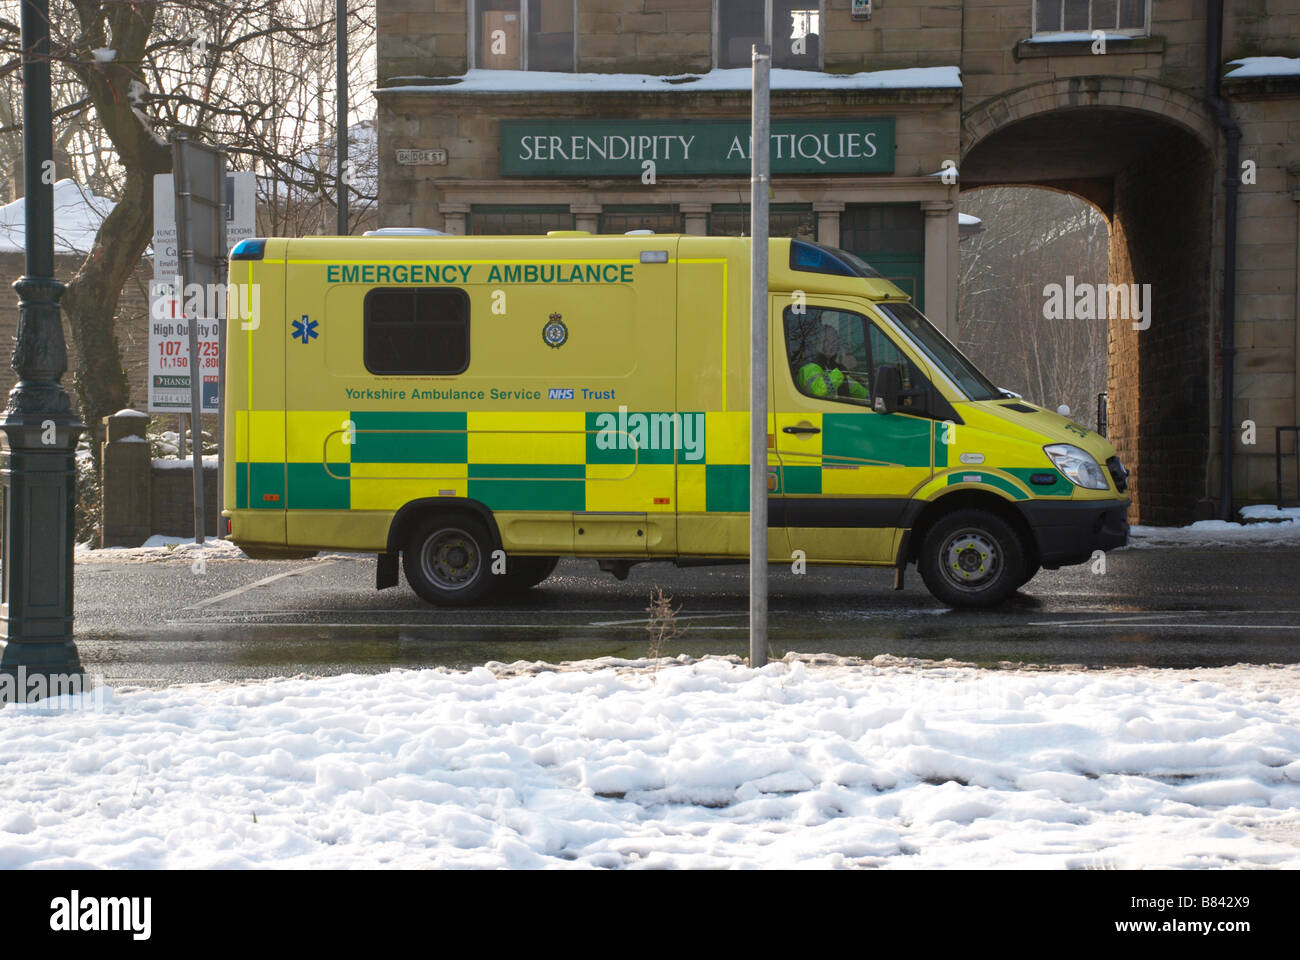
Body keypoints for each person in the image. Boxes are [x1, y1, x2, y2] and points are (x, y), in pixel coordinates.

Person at [795, 323, 868, 400]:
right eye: (826, 340)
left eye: (834, 341)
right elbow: (819, 390)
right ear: (816, 343)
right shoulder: (808, 367)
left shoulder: (834, 369)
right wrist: (844, 367)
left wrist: (873, 398)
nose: (832, 345)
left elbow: (858, 391)